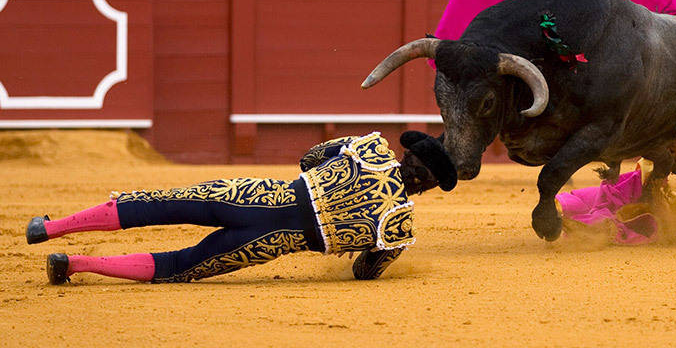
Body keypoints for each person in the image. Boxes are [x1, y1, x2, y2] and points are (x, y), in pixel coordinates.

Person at [26, 131, 457, 284]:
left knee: (157, 205)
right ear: (431, 187)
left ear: (407, 156)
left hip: (255, 194)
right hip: (267, 243)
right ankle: (74, 265)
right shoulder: (399, 227)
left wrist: (320, 186)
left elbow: (309, 159)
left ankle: (50, 228)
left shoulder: (369, 148)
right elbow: (365, 272)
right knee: (179, 266)